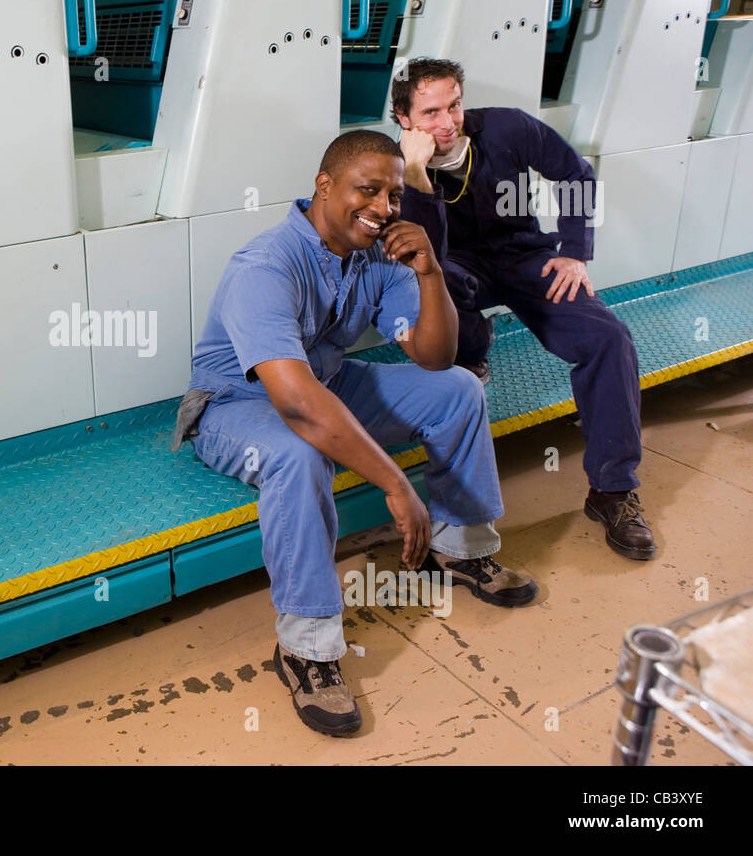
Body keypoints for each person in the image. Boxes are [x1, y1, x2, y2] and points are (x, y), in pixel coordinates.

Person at [171, 130, 536, 737]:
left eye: (394, 195)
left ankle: (460, 549)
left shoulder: (375, 256)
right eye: (369, 190)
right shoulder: (265, 265)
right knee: (298, 453)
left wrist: (429, 274)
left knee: (460, 390)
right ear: (324, 186)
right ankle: (307, 649)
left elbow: (435, 356)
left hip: (328, 383)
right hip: (238, 405)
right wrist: (396, 484)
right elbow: (295, 404)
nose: (384, 207)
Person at [391, 58, 654, 561]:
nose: (447, 122)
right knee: (441, 281)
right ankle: (472, 349)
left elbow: (575, 172)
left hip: (524, 257)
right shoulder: (393, 164)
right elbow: (423, 251)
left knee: (608, 338)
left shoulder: (507, 126)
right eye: (429, 113)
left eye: (454, 106)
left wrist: (574, 251)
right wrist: (419, 174)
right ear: (404, 119)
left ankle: (612, 491)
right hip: (455, 265)